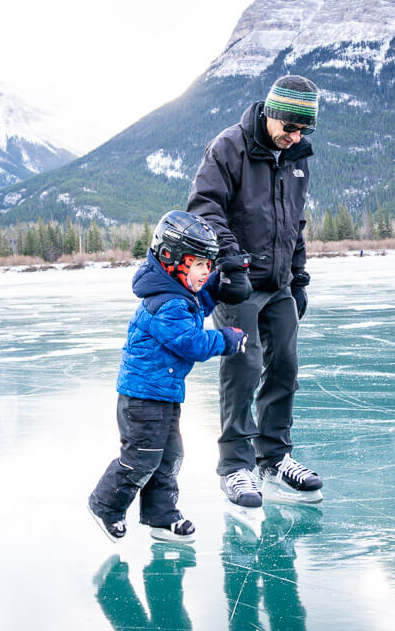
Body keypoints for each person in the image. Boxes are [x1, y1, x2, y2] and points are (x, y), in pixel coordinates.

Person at [187, 74, 325, 508]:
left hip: (280, 282)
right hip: (238, 283)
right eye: (291, 127)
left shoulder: (297, 156)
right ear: (273, 115)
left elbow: (294, 224)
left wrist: (298, 279)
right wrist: (232, 262)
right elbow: (204, 207)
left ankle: (274, 457)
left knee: (284, 366)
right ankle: (234, 466)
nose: (296, 136)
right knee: (243, 368)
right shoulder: (229, 148)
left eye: (304, 130)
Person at [87, 210, 247, 544]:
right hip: (143, 399)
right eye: (200, 265)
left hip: (163, 394)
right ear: (171, 259)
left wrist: (217, 285)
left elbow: (195, 304)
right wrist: (227, 340)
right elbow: (190, 341)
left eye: (209, 265)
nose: (206, 272)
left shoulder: (175, 291)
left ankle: (161, 516)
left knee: (170, 456)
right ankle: (105, 505)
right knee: (141, 459)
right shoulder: (167, 302)